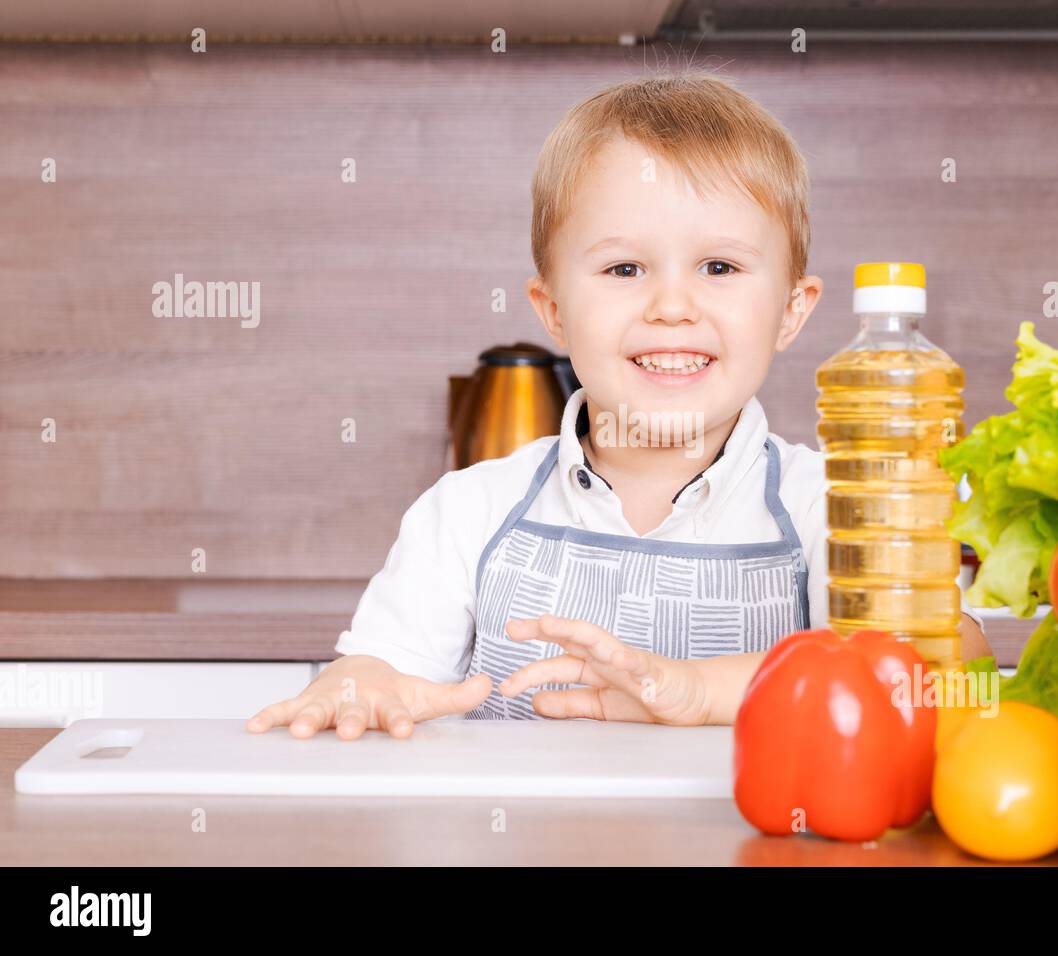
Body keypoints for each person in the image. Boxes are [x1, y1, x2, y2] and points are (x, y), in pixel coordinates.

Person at [247, 72, 988, 740]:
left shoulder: (839, 506)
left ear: (793, 310)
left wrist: (698, 689)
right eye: (624, 267)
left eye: (720, 266)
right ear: (554, 310)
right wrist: (357, 685)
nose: (671, 306)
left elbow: (928, 674)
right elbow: (377, 670)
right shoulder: (469, 513)